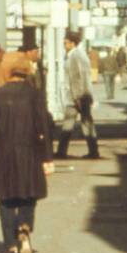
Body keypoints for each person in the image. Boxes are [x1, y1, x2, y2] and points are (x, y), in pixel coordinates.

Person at [0, 51, 55, 253]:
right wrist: (47, 157)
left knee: (5, 198)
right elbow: (45, 127)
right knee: (28, 193)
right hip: (30, 151)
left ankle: (10, 246)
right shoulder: (35, 95)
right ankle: (24, 225)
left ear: (7, 71)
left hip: (2, 153)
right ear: (26, 72)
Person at [56, 30, 100, 159]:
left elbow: (76, 77)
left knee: (82, 123)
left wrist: (77, 97)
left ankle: (92, 151)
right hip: (80, 95)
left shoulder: (75, 56)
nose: (64, 45)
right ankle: (64, 150)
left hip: (78, 96)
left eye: (66, 43)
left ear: (73, 43)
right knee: (76, 123)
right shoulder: (76, 55)